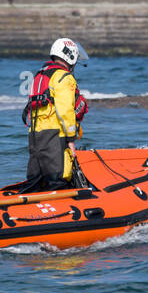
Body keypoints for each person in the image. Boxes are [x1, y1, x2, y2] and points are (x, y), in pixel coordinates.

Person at [21, 38, 88, 190]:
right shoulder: (64, 77)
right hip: (55, 135)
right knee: (57, 179)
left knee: (35, 180)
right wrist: (71, 140)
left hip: (34, 135)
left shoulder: (39, 75)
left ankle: (28, 206)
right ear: (69, 56)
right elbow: (66, 111)